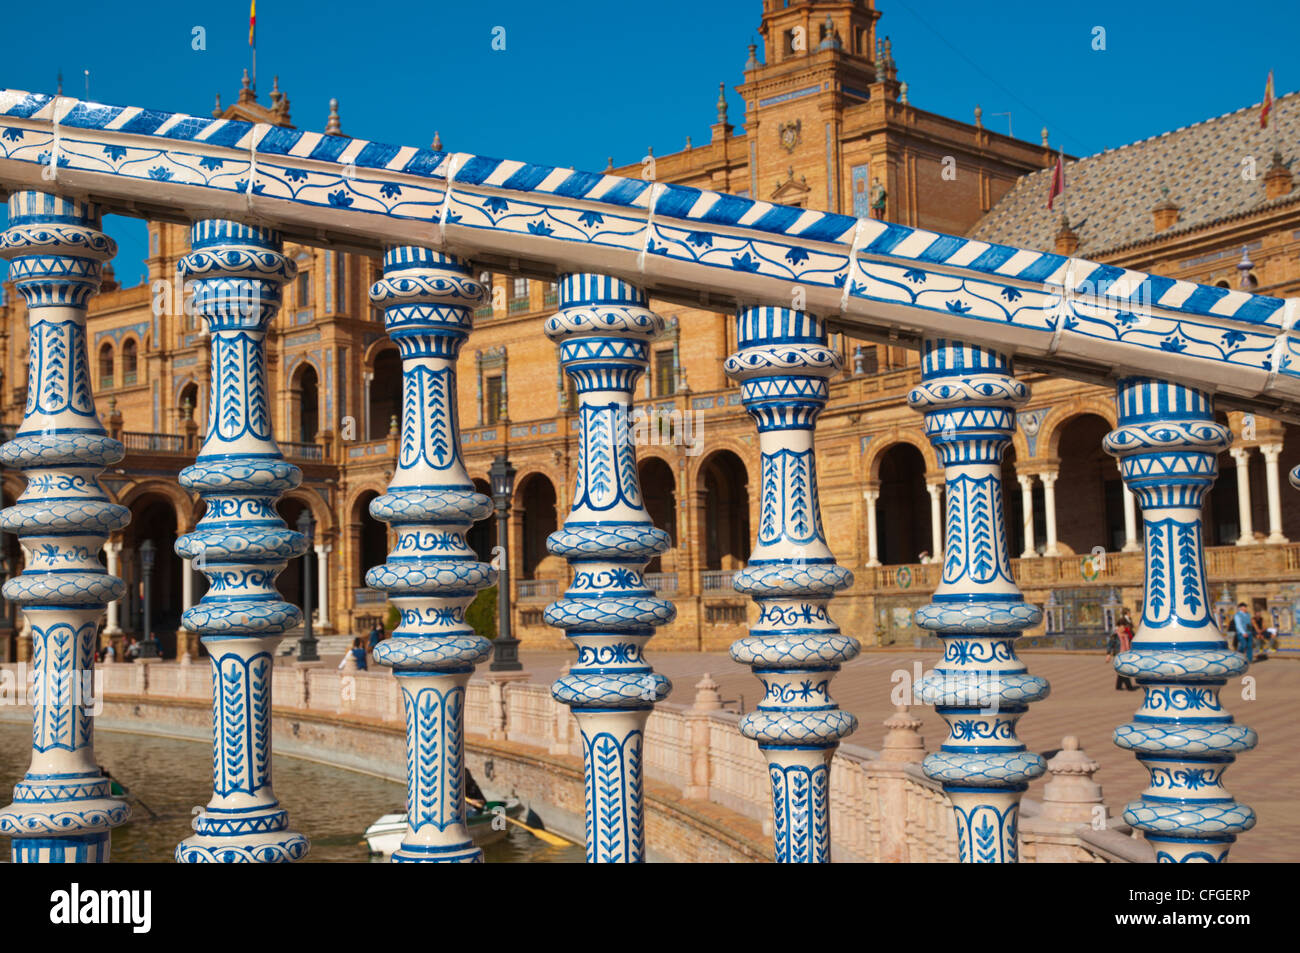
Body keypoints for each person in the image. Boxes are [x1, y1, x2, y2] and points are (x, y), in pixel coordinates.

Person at [1106, 609, 1138, 691]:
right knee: (1124, 670)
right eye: (1123, 627)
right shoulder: (1115, 635)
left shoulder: (1127, 635)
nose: (1124, 628)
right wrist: (1108, 654)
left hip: (1127, 654)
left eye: (1125, 627)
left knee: (1121, 671)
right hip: (1119, 655)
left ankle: (1118, 686)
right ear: (1119, 627)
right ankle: (1129, 687)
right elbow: (1110, 645)